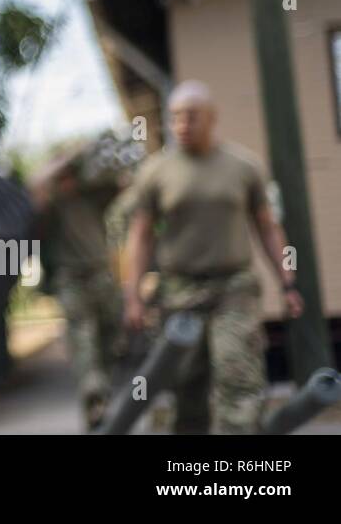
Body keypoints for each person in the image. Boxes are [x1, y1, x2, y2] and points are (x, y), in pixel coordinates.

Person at [122, 80, 304, 434]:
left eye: (190, 117)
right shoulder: (155, 172)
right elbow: (140, 236)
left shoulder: (244, 166)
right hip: (178, 291)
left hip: (233, 288)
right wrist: (133, 296)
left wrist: (288, 280)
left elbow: (269, 228)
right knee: (185, 388)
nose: (181, 126)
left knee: (238, 378)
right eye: (174, 118)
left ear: (212, 118)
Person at [30, 138, 127, 430]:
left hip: (102, 275)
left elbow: (123, 179)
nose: (68, 179)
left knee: (113, 335)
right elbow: (34, 185)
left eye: (71, 173)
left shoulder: (93, 196)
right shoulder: (49, 205)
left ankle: (102, 392)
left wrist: (84, 156)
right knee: (82, 336)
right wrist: (60, 160)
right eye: (63, 175)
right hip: (69, 278)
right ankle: (92, 393)